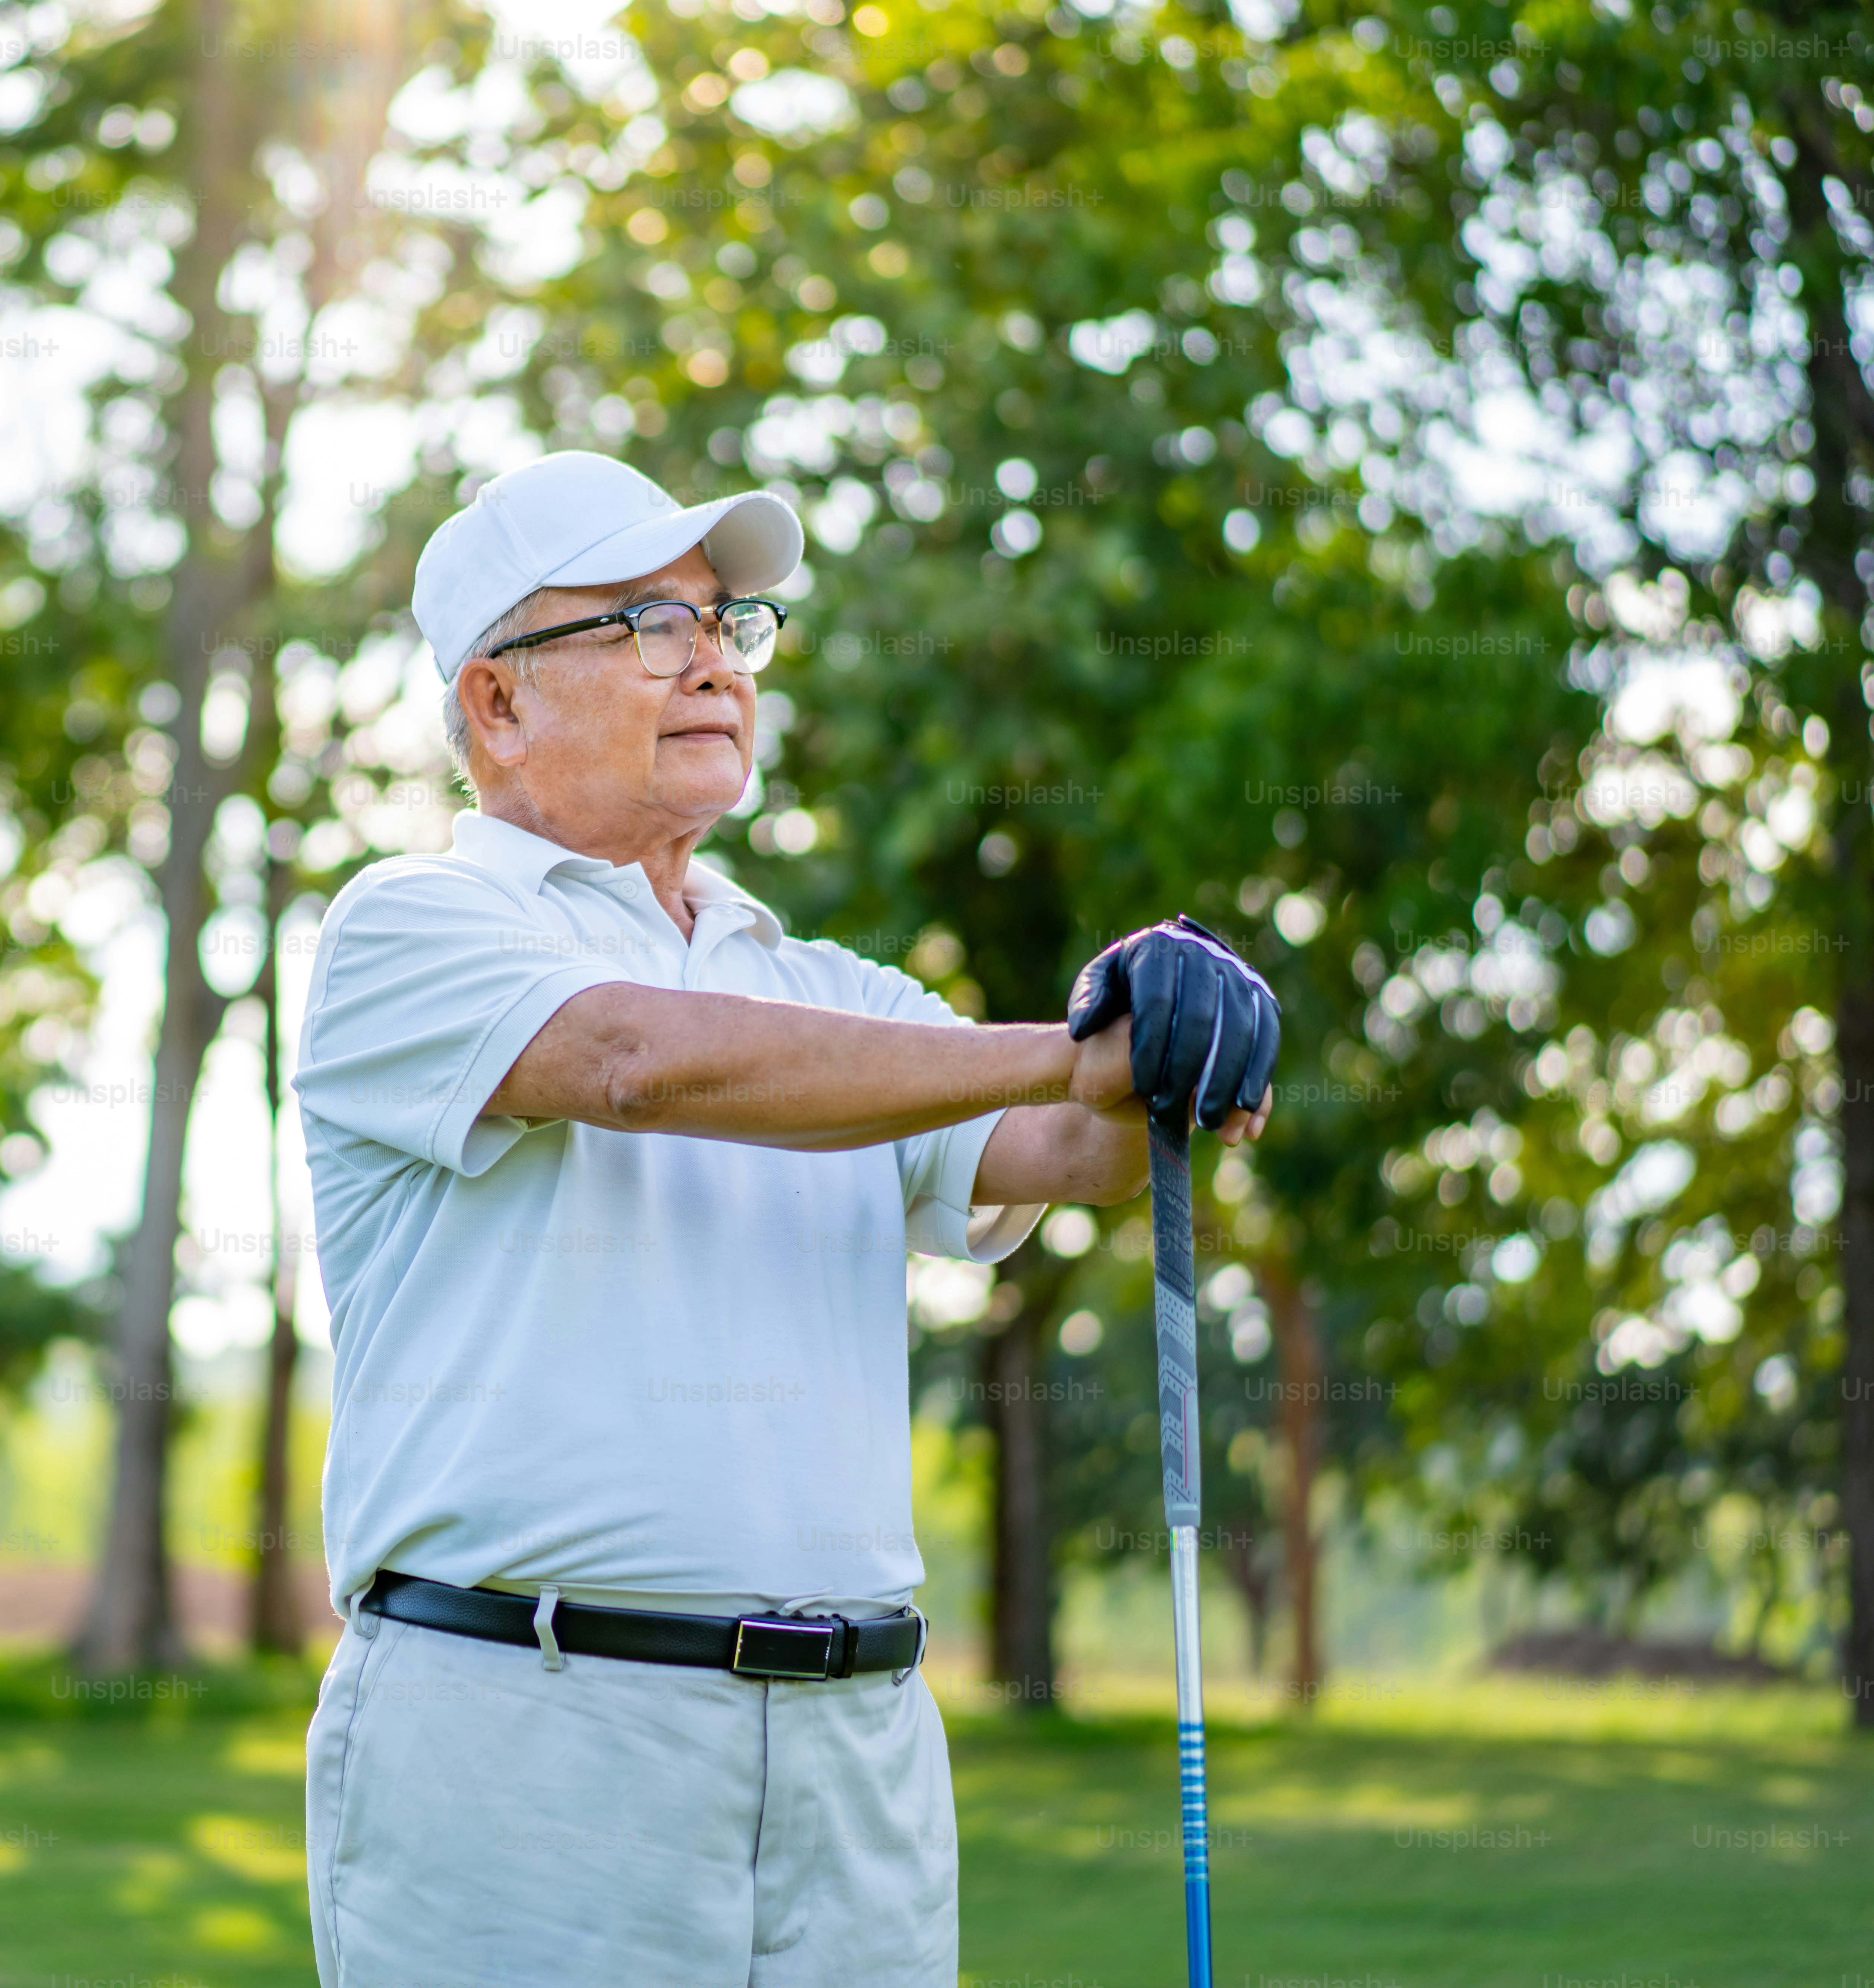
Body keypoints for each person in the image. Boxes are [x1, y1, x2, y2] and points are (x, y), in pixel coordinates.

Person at [290, 450, 1279, 1988]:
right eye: (642, 624)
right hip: (527, 1741)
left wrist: (1173, 1041)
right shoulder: (411, 927)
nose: (709, 665)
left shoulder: (827, 990)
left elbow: (1065, 1149)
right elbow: (632, 1066)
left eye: (721, 625)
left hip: (856, 1757)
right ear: (494, 703)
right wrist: (1061, 1048)